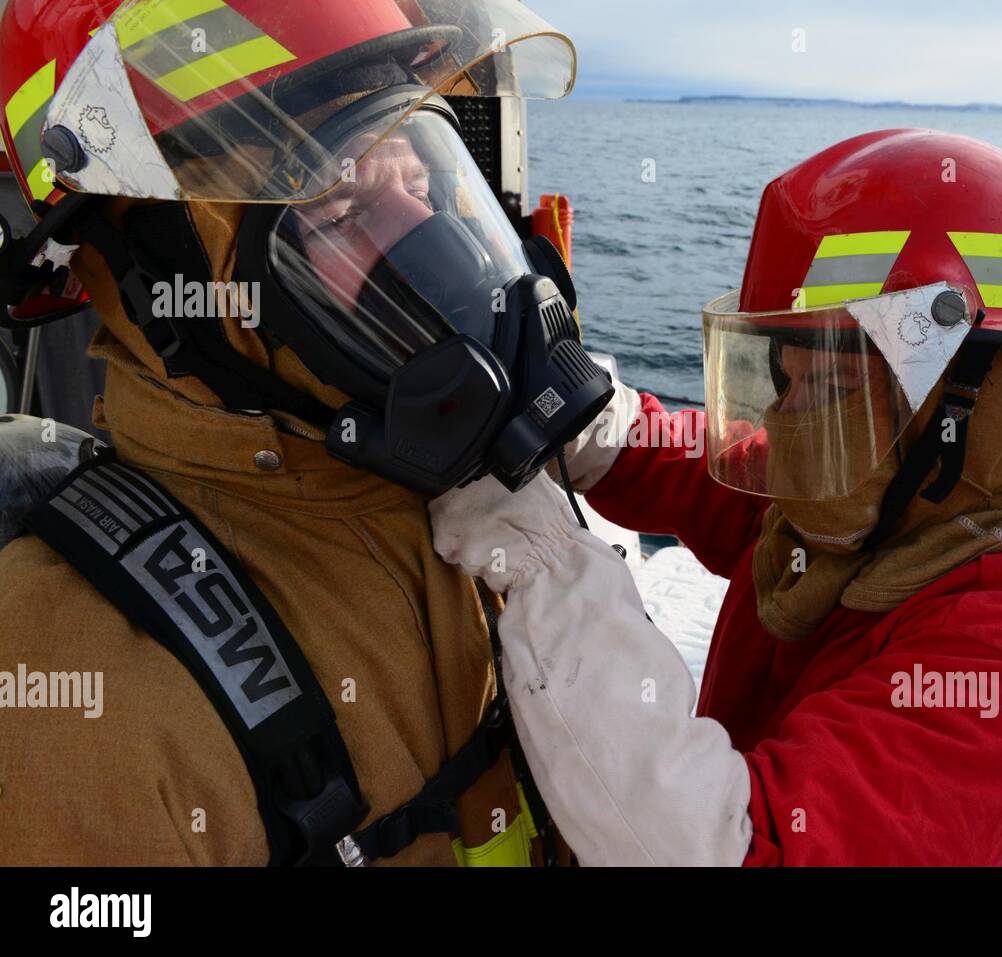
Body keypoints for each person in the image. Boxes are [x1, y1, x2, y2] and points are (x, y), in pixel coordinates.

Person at [428, 129, 1002, 866]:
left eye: (832, 385)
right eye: (787, 379)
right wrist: (587, 421)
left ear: (973, 402)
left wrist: (547, 564)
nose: (787, 421)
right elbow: (704, 471)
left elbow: (741, 851)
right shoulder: (872, 494)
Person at [0, 0, 597, 866]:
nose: (433, 248)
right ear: (151, 277)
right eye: (343, 203)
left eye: (423, 176)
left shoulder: (444, 492)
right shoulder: (79, 705)